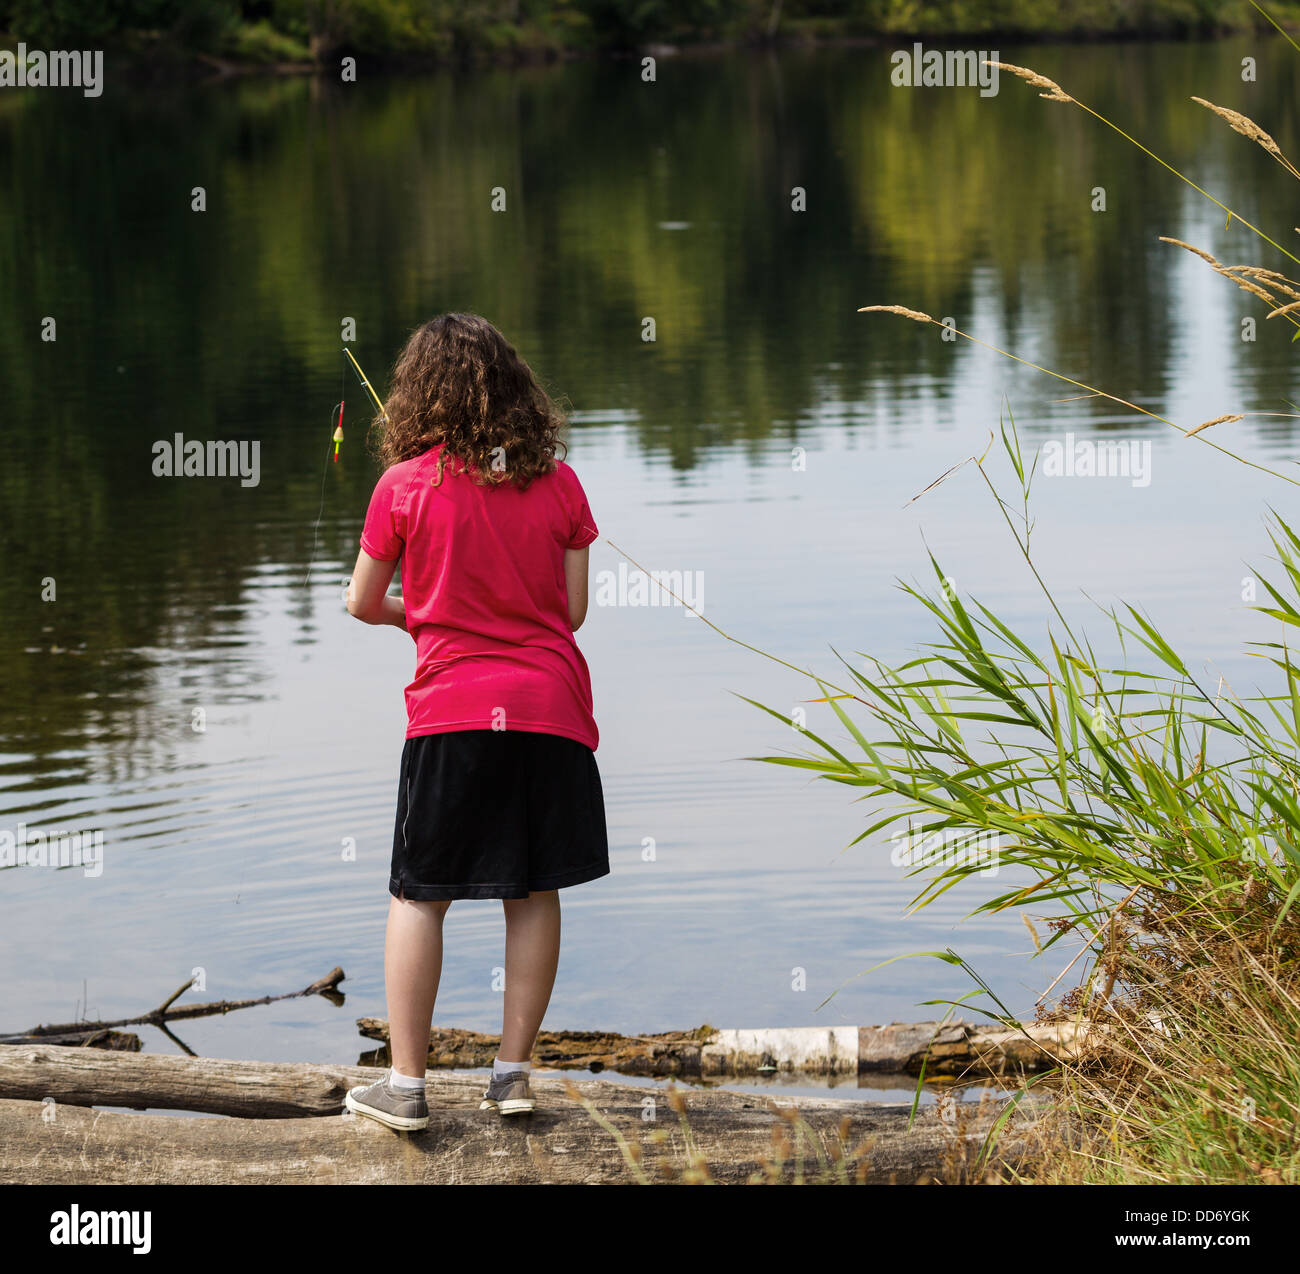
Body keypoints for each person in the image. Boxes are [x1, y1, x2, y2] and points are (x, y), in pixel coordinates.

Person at [342, 314, 608, 1132]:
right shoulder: (559, 483)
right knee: (531, 892)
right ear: (517, 389)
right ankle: (512, 1076)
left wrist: (419, 615)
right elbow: (572, 611)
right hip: (549, 713)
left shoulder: (403, 486)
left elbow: (360, 602)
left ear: (419, 393)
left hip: (452, 716)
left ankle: (409, 1087)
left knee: (419, 896)